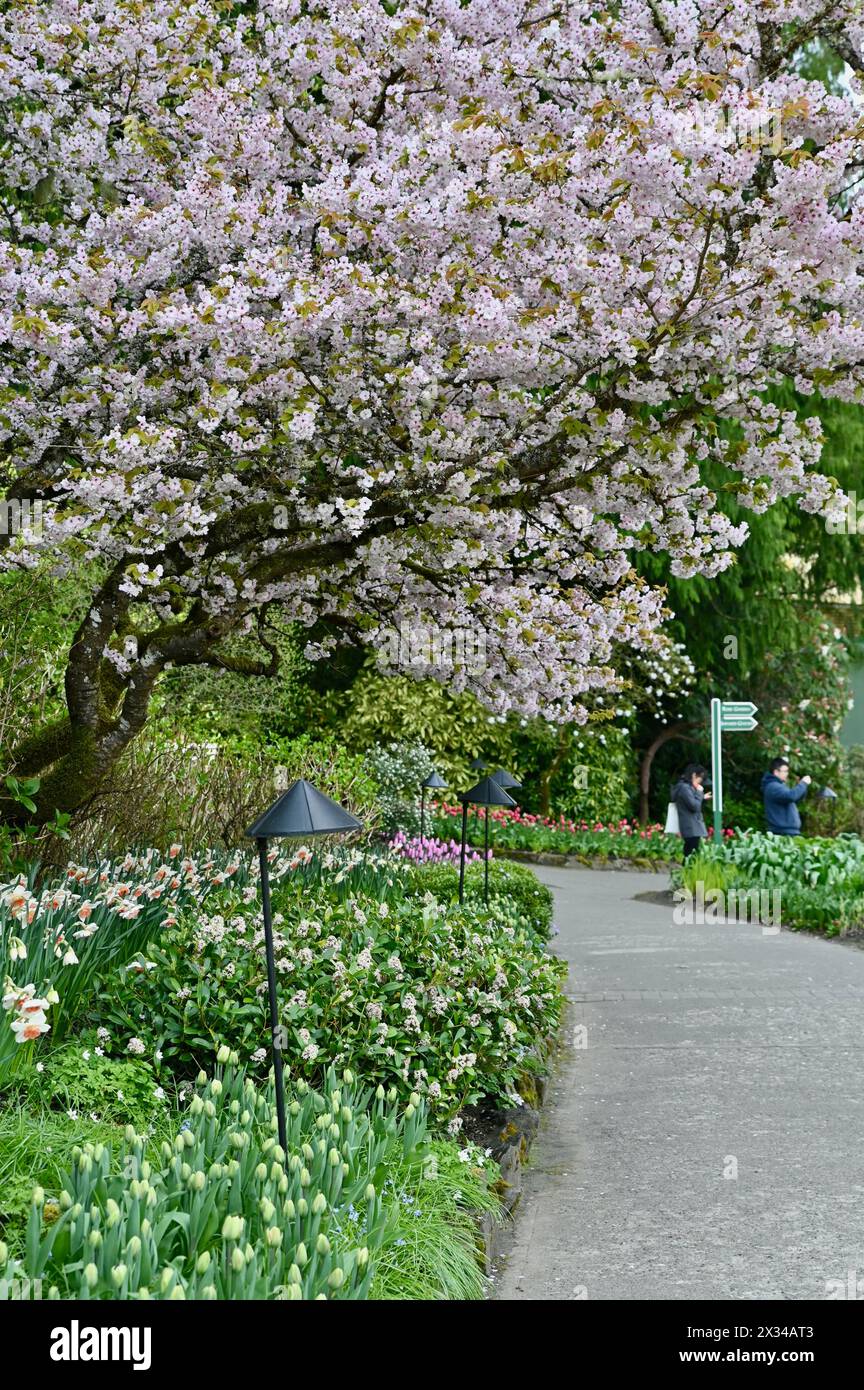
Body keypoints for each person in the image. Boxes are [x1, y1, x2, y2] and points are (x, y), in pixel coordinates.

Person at [761, 757, 811, 836]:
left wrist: (803, 787)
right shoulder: (773, 787)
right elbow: (791, 796)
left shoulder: (778, 785)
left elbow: (795, 799)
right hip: (782, 833)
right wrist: (803, 784)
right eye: (785, 771)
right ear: (776, 772)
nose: (787, 774)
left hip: (788, 832)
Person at [672, 764, 711, 859]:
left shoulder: (686, 788)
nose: (700, 783)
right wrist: (699, 792)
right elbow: (694, 806)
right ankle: (687, 872)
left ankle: (687, 872)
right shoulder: (684, 788)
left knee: (690, 853)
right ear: (694, 775)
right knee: (690, 854)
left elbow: (692, 801)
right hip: (690, 827)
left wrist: (702, 797)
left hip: (692, 827)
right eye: (700, 779)